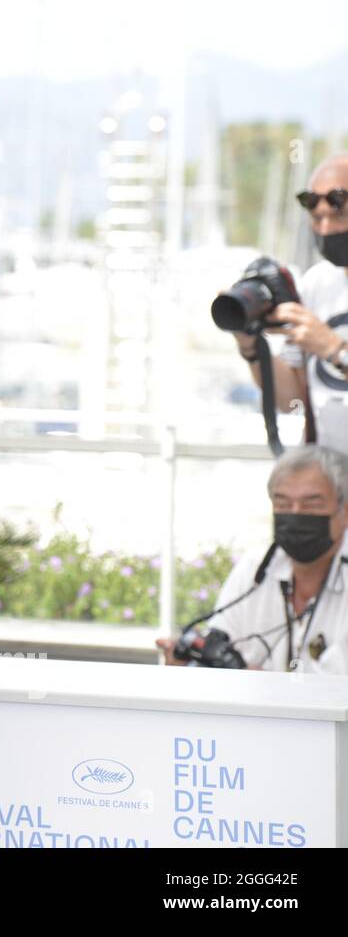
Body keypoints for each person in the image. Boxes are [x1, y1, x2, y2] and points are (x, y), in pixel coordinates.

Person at [157, 446, 348, 674]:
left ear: (344, 510)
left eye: (311, 504)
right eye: (283, 504)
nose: (295, 513)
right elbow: (220, 646)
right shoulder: (254, 569)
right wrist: (191, 666)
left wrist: (257, 681)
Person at [236, 154, 348, 453]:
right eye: (317, 219)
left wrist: (334, 349)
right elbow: (290, 399)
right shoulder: (317, 282)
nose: (325, 230)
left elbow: (332, 350)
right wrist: (250, 347)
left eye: (338, 217)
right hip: (327, 476)